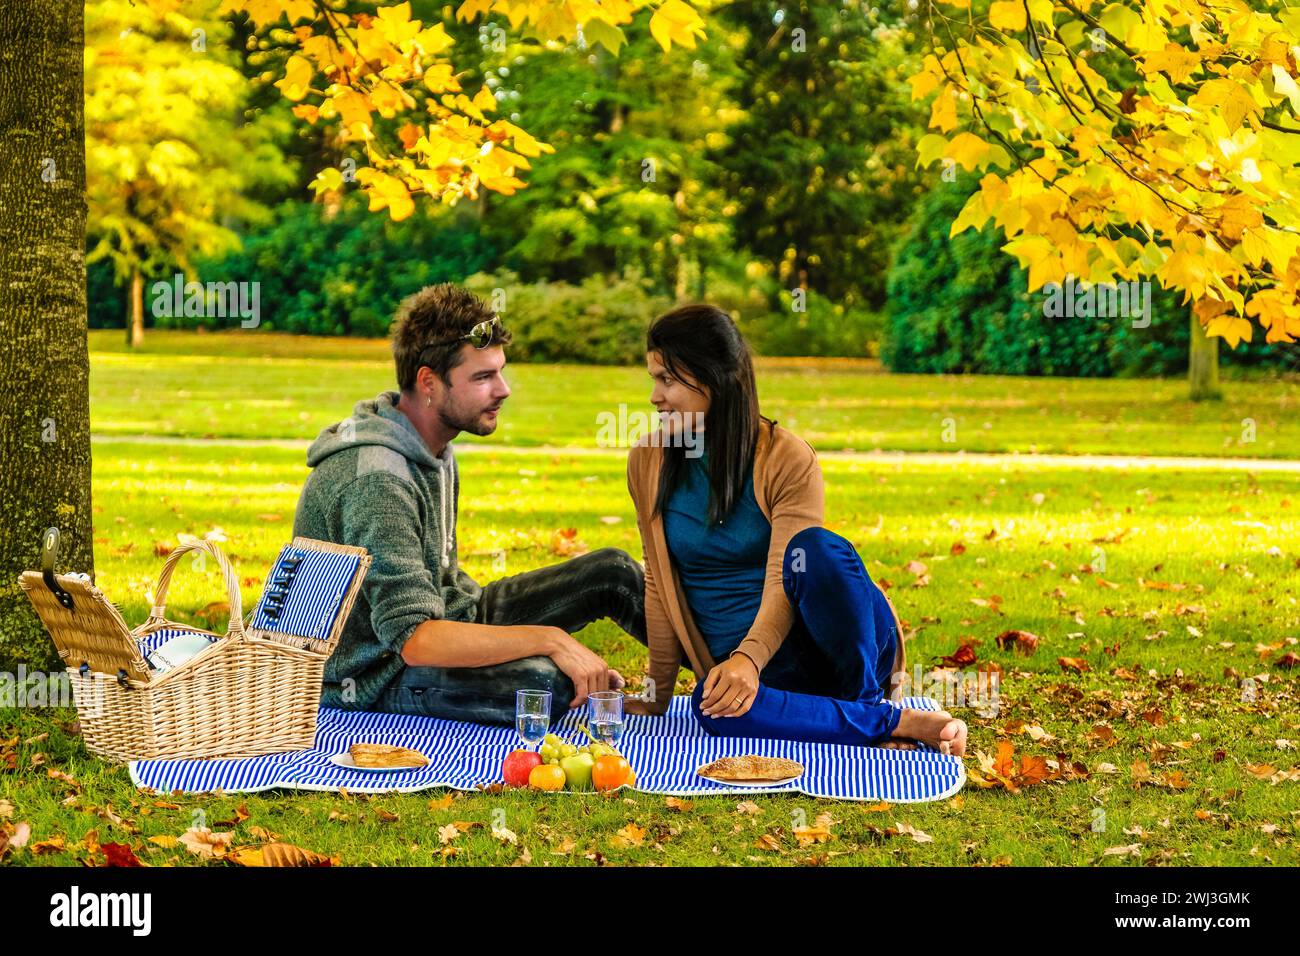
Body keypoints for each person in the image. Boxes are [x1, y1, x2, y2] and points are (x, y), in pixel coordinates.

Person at [292, 284, 646, 725]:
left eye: (499, 372)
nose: (504, 390)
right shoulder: (377, 480)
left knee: (612, 572)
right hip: (378, 669)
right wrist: (552, 642)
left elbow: (438, 588)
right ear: (428, 383)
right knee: (543, 684)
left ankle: (738, 679)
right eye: (483, 377)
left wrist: (542, 638)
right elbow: (414, 639)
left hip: (446, 617)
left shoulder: (431, 445)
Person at [623, 304, 967, 754]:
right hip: (754, 675)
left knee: (815, 549)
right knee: (710, 707)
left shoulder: (786, 458)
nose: (654, 396)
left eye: (666, 379)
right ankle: (880, 723)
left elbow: (782, 578)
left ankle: (866, 705)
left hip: (835, 652)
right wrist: (656, 695)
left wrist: (749, 657)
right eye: (654, 378)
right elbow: (657, 582)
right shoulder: (648, 461)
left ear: (715, 378)